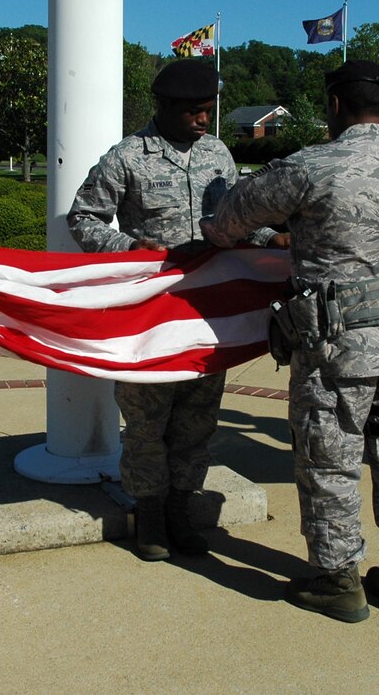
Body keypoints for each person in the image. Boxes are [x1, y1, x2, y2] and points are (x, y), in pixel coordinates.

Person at [200, 60, 379, 623]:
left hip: (338, 346)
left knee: (329, 460)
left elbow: (226, 224)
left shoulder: (311, 166)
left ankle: (338, 579)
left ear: (334, 105)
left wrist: (244, 224)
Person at [67, 60, 287, 562]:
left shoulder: (217, 153)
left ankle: (181, 508)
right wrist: (129, 248)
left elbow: (236, 218)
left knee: (198, 418)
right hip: (151, 312)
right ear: (164, 106)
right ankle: (149, 514)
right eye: (193, 112)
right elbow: (84, 217)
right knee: (146, 420)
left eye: (208, 110)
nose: (204, 120)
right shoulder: (127, 157)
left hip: (208, 310)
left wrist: (269, 238)